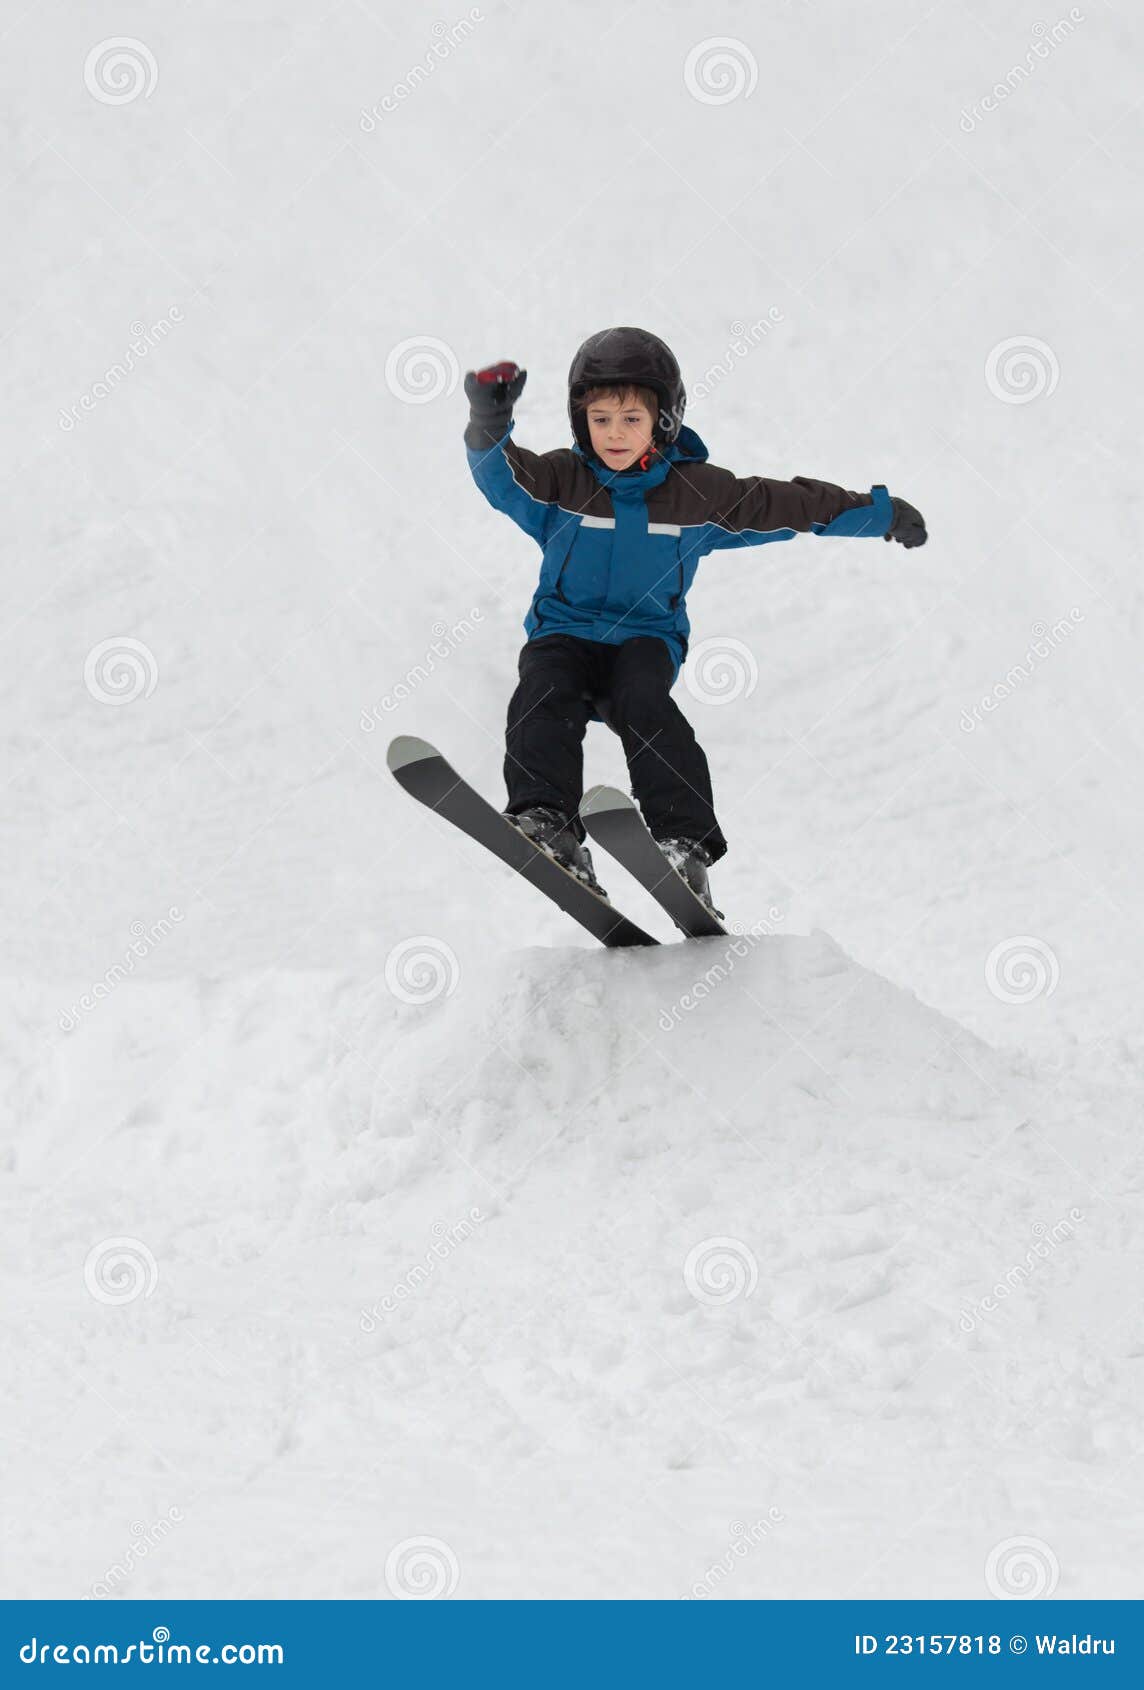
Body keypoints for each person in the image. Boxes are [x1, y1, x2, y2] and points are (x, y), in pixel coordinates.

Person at [463, 327, 926, 912]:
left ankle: (685, 846)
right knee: (542, 694)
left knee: (646, 707)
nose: (613, 434)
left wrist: (877, 514)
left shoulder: (696, 496)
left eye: (630, 419)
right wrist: (489, 417)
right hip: (565, 632)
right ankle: (547, 822)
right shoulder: (561, 483)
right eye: (600, 419)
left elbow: (790, 505)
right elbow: (499, 474)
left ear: (663, 420)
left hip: (645, 641)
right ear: (581, 420)